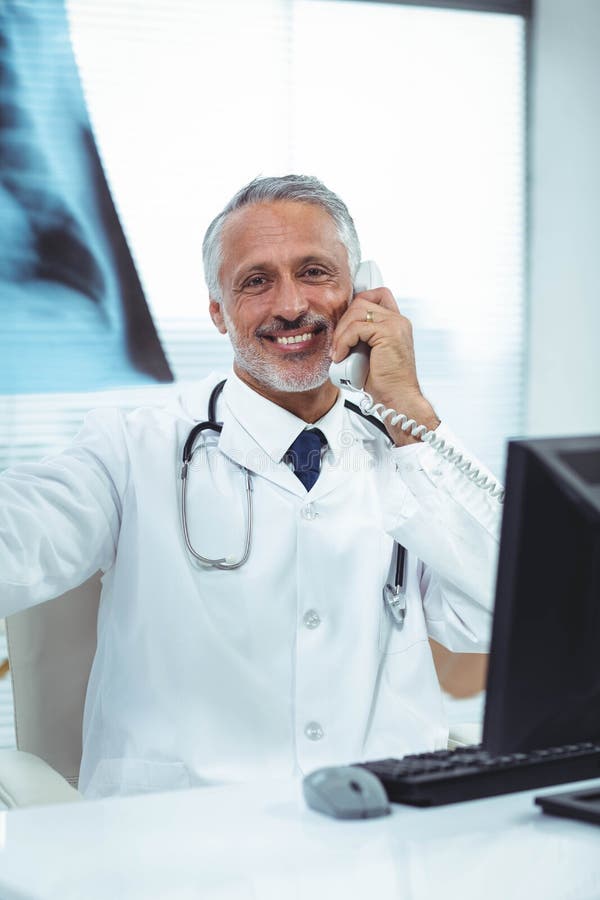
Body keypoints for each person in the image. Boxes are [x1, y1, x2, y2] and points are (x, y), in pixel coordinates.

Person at [0, 175, 501, 799]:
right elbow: (19, 533)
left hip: (378, 834)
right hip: (183, 844)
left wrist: (410, 413)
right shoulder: (130, 449)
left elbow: (500, 611)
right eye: (256, 281)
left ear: (360, 290)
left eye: (316, 272)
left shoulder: (408, 458)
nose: (291, 306)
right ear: (217, 311)